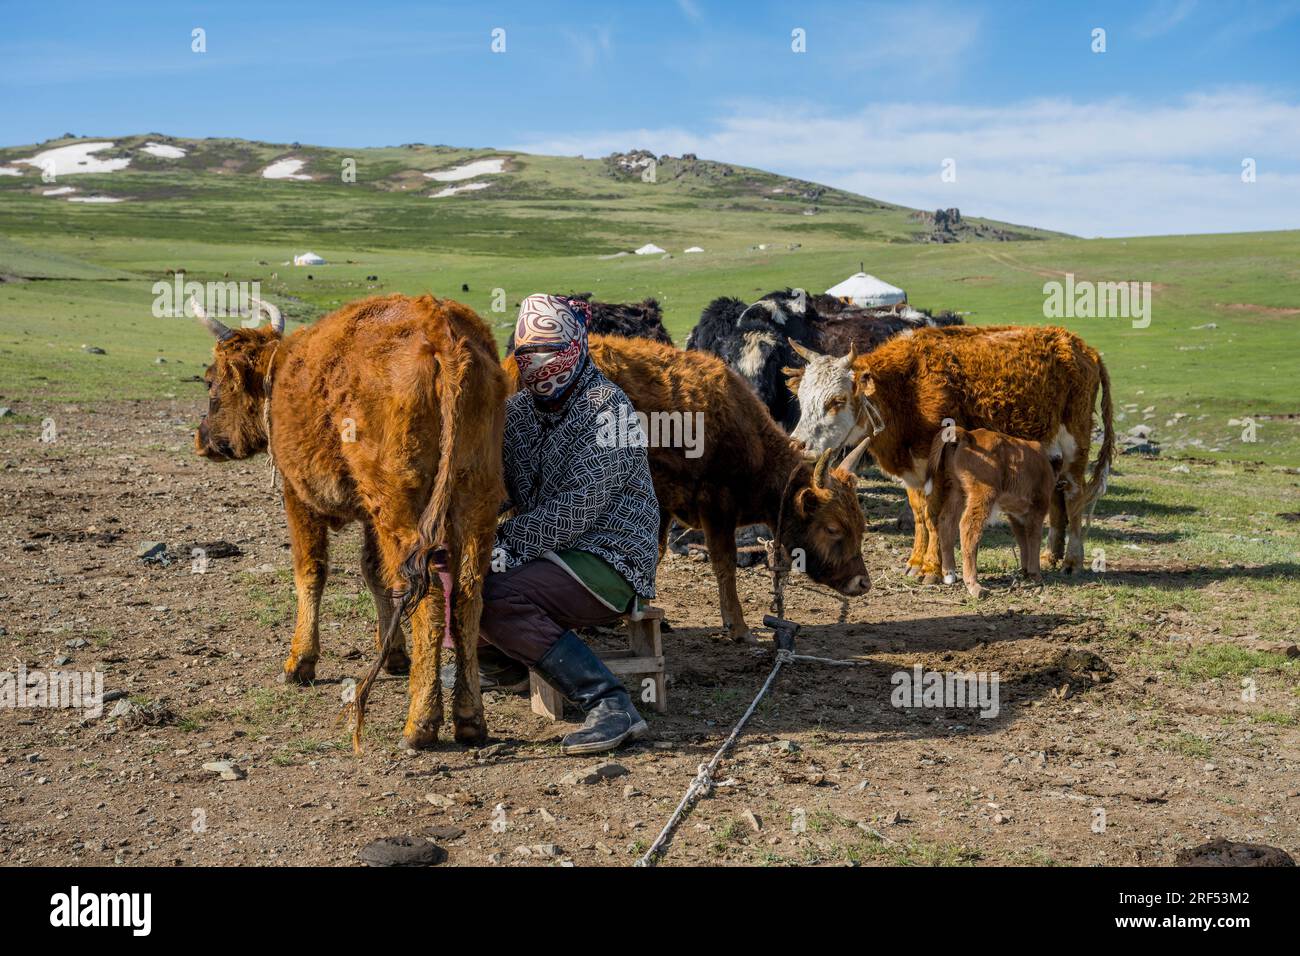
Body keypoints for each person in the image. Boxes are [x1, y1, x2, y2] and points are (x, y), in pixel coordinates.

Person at [475, 293, 660, 755]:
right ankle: (508, 663)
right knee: (454, 576)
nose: (540, 365)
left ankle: (610, 703)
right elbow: (493, 488)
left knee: (494, 595)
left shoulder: (609, 408)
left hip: (611, 555)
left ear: (577, 345)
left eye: (552, 351)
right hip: (547, 550)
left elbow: (583, 505)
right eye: (527, 355)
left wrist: (506, 540)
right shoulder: (517, 413)